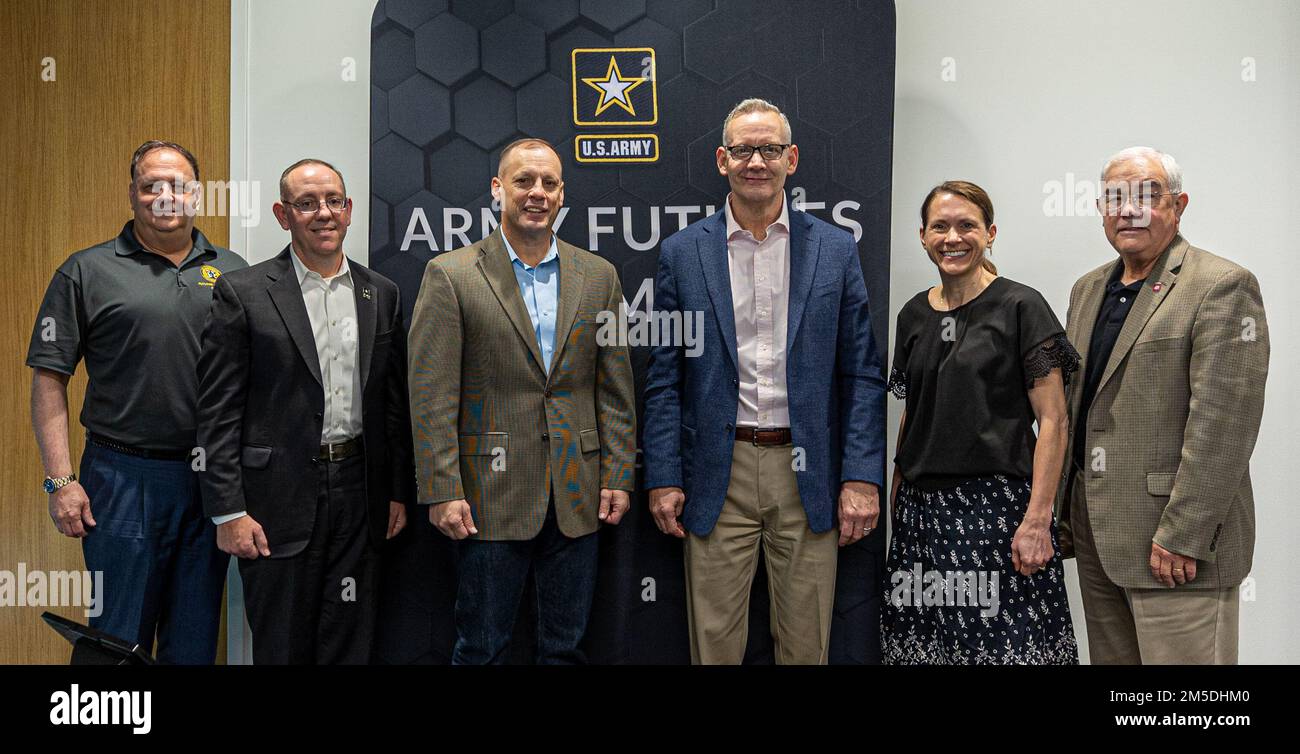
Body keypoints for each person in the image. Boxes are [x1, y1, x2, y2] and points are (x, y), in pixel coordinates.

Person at [642, 98, 886, 665]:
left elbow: (863, 374)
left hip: (809, 473)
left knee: (805, 649)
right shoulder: (681, 253)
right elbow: (663, 377)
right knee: (715, 647)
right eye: (745, 150)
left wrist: (860, 477)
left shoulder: (833, 248)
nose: (758, 160)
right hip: (714, 472)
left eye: (770, 149)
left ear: (792, 158)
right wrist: (662, 474)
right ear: (722, 160)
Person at [408, 138, 636, 664]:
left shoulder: (598, 277)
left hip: (577, 492)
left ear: (562, 194)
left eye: (549, 183)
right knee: (482, 648)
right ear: (497, 189)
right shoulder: (452, 274)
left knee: (566, 649)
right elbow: (431, 392)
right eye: (524, 181)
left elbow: (615, 389)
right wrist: (442, 488)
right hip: (487, 497)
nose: (537, 193)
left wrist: (619, 473)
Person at [27, 140, 243, 663]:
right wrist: (61, 481)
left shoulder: (235, 271)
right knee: (117, 640)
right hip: (120, 478)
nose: (165, 196)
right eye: (151, 185)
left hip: (209, 482)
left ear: (197, 194)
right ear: (132, 194)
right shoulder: (85, 271)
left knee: (193, 640)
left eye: (178, 185)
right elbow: (49, 379)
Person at [196, 159, 414, 664]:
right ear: (282, 213)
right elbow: (217, 412)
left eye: (334, 201)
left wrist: (397, 491)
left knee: (349, 641)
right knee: (283, 645)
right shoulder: (243, 292)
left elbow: (391, 407)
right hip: (275, 501)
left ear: (349, 209)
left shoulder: (379, 292)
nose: (324, 213)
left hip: (360, 494)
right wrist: (228, 509)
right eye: (307, 203)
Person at [1056, 147, 1268, 664]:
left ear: (1179, 205)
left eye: (1146, 196)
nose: (1129, 210)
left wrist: (1184, 534)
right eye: (1114, 198)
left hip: (1173, 544)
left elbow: (1225, 427)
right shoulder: (1088, 289)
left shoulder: (1221, 286)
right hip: (1096, 533)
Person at [882, 180, 1079, 664]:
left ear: (990, 233)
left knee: (999, 649)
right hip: (920, 515)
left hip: (996, 513)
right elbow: (915, 413)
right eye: (940, 226)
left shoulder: (1021, 307)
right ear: (922, 236)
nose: (953, 237)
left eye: (967, 225)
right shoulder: (913, 314)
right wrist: (896, 502)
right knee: (921, 650)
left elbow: (1053, 420)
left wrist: (1038, 520)